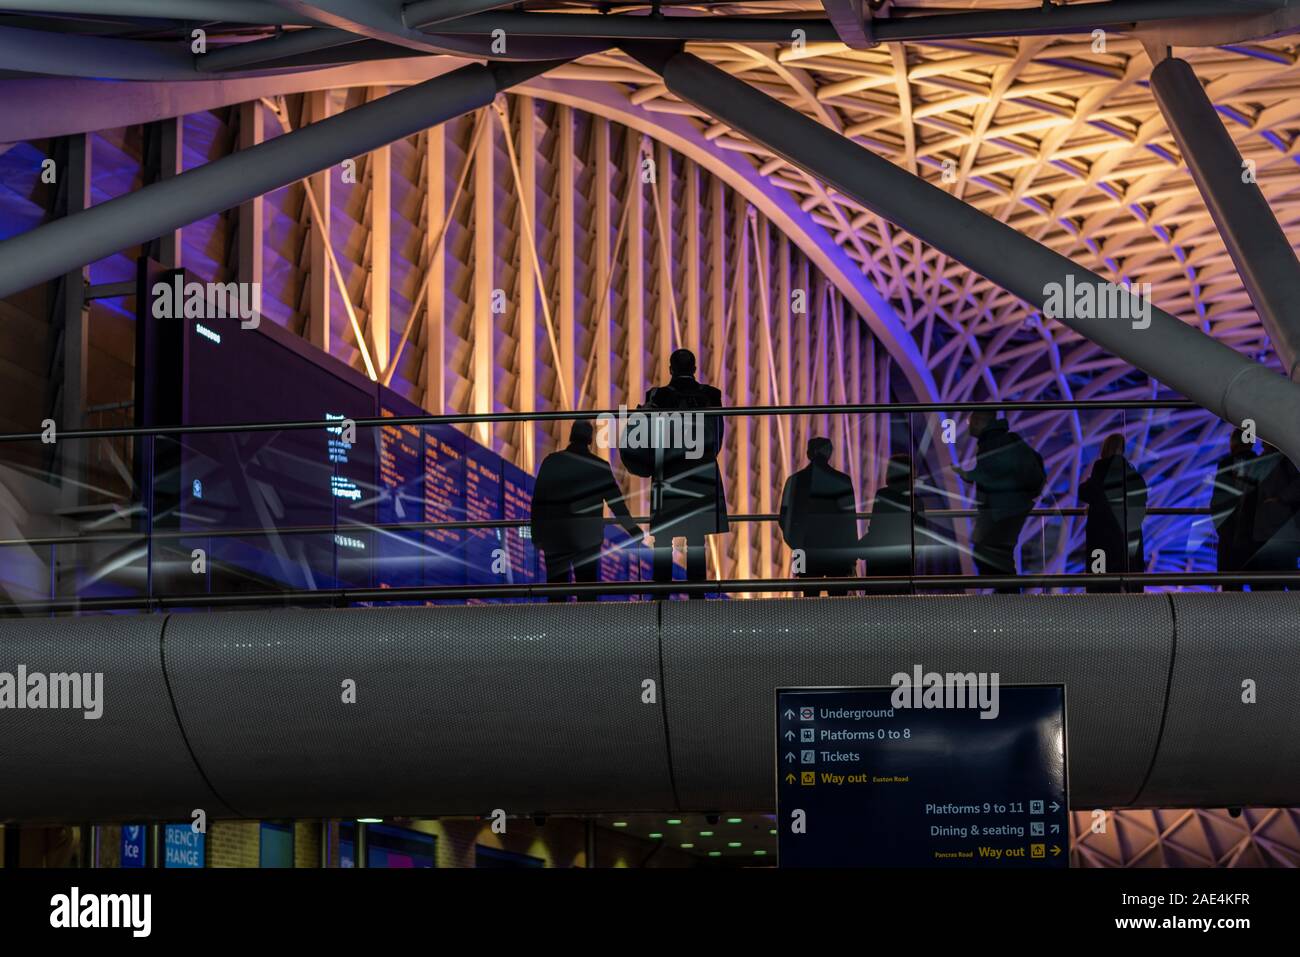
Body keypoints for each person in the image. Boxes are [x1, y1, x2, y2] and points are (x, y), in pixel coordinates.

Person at [625, 348, 728, 594]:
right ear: (694, 369)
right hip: (700, 473)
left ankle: (661, 593)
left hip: (667, 472)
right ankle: (696, 594)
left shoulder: (658, 395)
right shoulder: (711, 396)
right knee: (695, 538)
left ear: (670, 369)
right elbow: (717, 441)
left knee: (663, 537)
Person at [530, 420, 642, 602]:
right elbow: (616, 504)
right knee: (587, 590)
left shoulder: (552, 461)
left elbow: (538, 501)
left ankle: (556, 629)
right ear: (590, 439)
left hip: (556, 538)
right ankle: (586, 628)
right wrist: (633, 530)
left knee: (556, 591)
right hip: (586, 540)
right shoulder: (599, 466)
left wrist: (537, 535)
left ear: (571, 436)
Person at [954, 409, 1045, 592]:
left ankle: (1008, 603)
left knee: (990, 554)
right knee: (996, 555)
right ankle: (1006, 601)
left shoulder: (994, 441)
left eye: (970, 422)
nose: (968, 425)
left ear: (980, 421)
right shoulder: (999, 439)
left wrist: (967, 474)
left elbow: (992, 471)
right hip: (1009, 509)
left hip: (1003, 511)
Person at [778, 437, 859, 596]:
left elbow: (784, 518)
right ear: (829, 453)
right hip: (837, 553)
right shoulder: (842, 481)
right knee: (838, 601)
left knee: (809, 599)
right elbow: (849, 522)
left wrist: (796, 545)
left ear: (809, 454)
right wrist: (851, 557)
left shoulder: (794, 481)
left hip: (805, 550)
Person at [1078, 434, 1147, 592]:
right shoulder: (1133, 476)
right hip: (1128, 540)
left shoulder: (1100, 473)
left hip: (1101, 541)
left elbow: (1084, 492)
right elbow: (1141, 503)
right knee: (1130, 584)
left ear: (1104, 450)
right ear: (1122, 450)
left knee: (1100, 584)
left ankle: (1103, 614)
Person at [860, 453, 926, 593]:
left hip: (879, 561)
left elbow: (876, 529)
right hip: (903, 561)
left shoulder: (883, 495)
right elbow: (921, 536)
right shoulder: (916, 501)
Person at [1246, 443, 1300, 590]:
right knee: (1270, 578)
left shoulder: (1285, 460)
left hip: (1280, 531)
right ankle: (1276, 610)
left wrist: (1280, 498)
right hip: (1266, 532)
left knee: (1282, 574)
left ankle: (1286, 609)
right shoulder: (1264, 459)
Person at [1210, 431, 1260, 590]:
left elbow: (1218, 500)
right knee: (1261, 588)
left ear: (1233, 444)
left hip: (1230, 535)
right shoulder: (1261, 463)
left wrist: (1221, 527)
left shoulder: (1226, 465)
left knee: (1231, 587)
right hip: (1256, 537)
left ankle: (1235, 616)